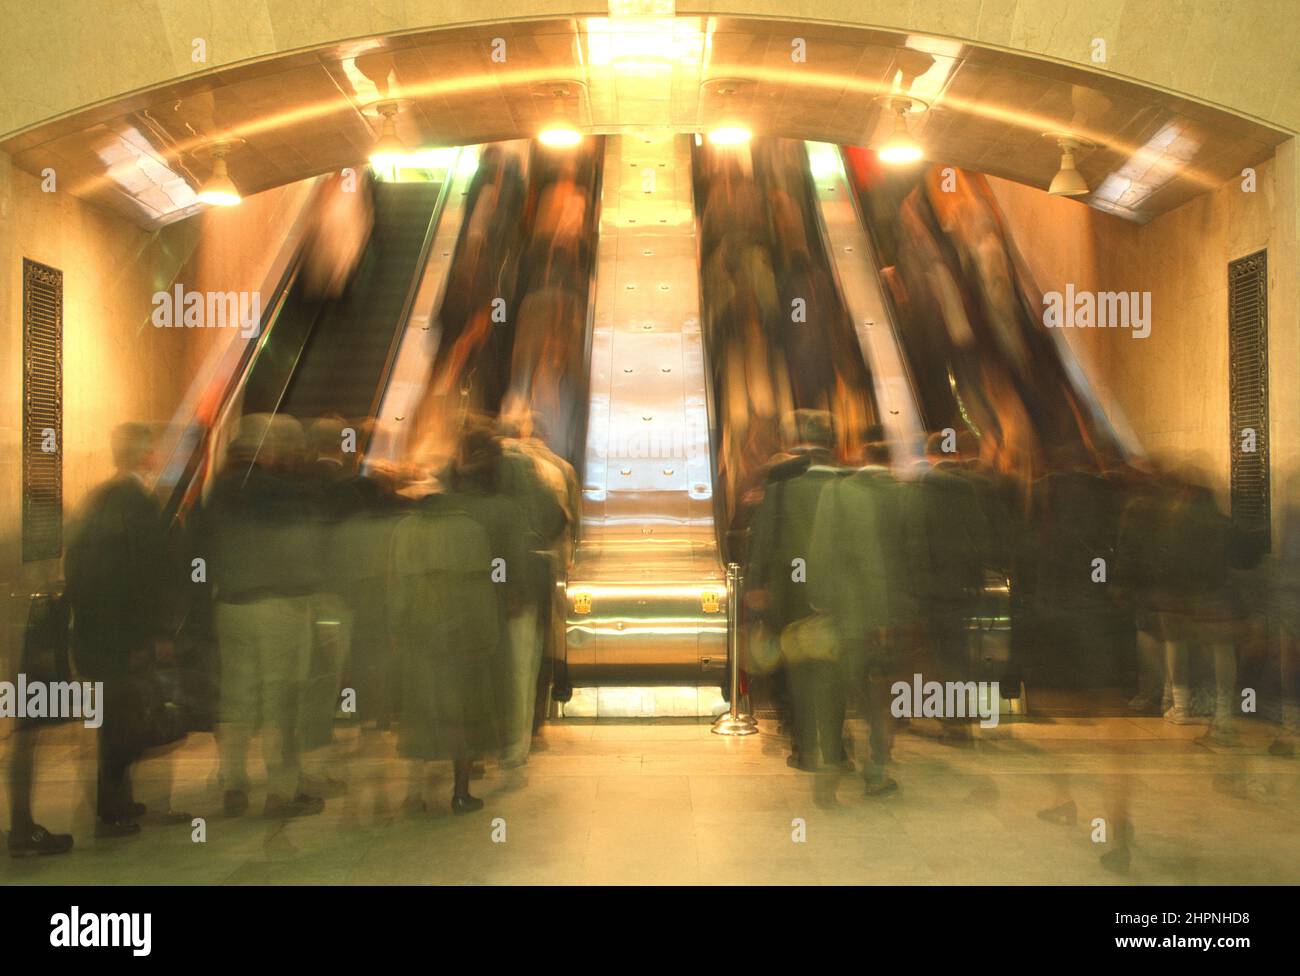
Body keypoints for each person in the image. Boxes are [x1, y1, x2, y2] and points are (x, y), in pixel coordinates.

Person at [391, 421, 524, 813]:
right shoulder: (471, 529)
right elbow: (484, 587)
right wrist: (489, 634)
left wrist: (396, 630)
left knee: (420, 712)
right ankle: (460, 791)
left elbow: (396, 587)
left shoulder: (406, 529)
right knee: (464, 712)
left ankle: (414, 793)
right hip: (463, 636)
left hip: (420, 634)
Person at [202, 414, 324, 818]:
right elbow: (304, 547)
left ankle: (234, 785)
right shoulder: (282, 491)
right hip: (278, 605)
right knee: (280, 698)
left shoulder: (220, 489)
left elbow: (203, 546)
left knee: (236, 697)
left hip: (230, 605)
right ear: (274, 449)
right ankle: (281, 791)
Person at [64, 423, 172, 837]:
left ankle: (118, 800)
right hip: (121, 635)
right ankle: (111, 809)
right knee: (121, 723)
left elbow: (80, 568)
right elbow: (145, 574)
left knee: (112, 719)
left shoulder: (98, 498)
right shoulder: (137, 502)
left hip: (95, 631)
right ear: (146, 455)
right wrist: (150, 634)